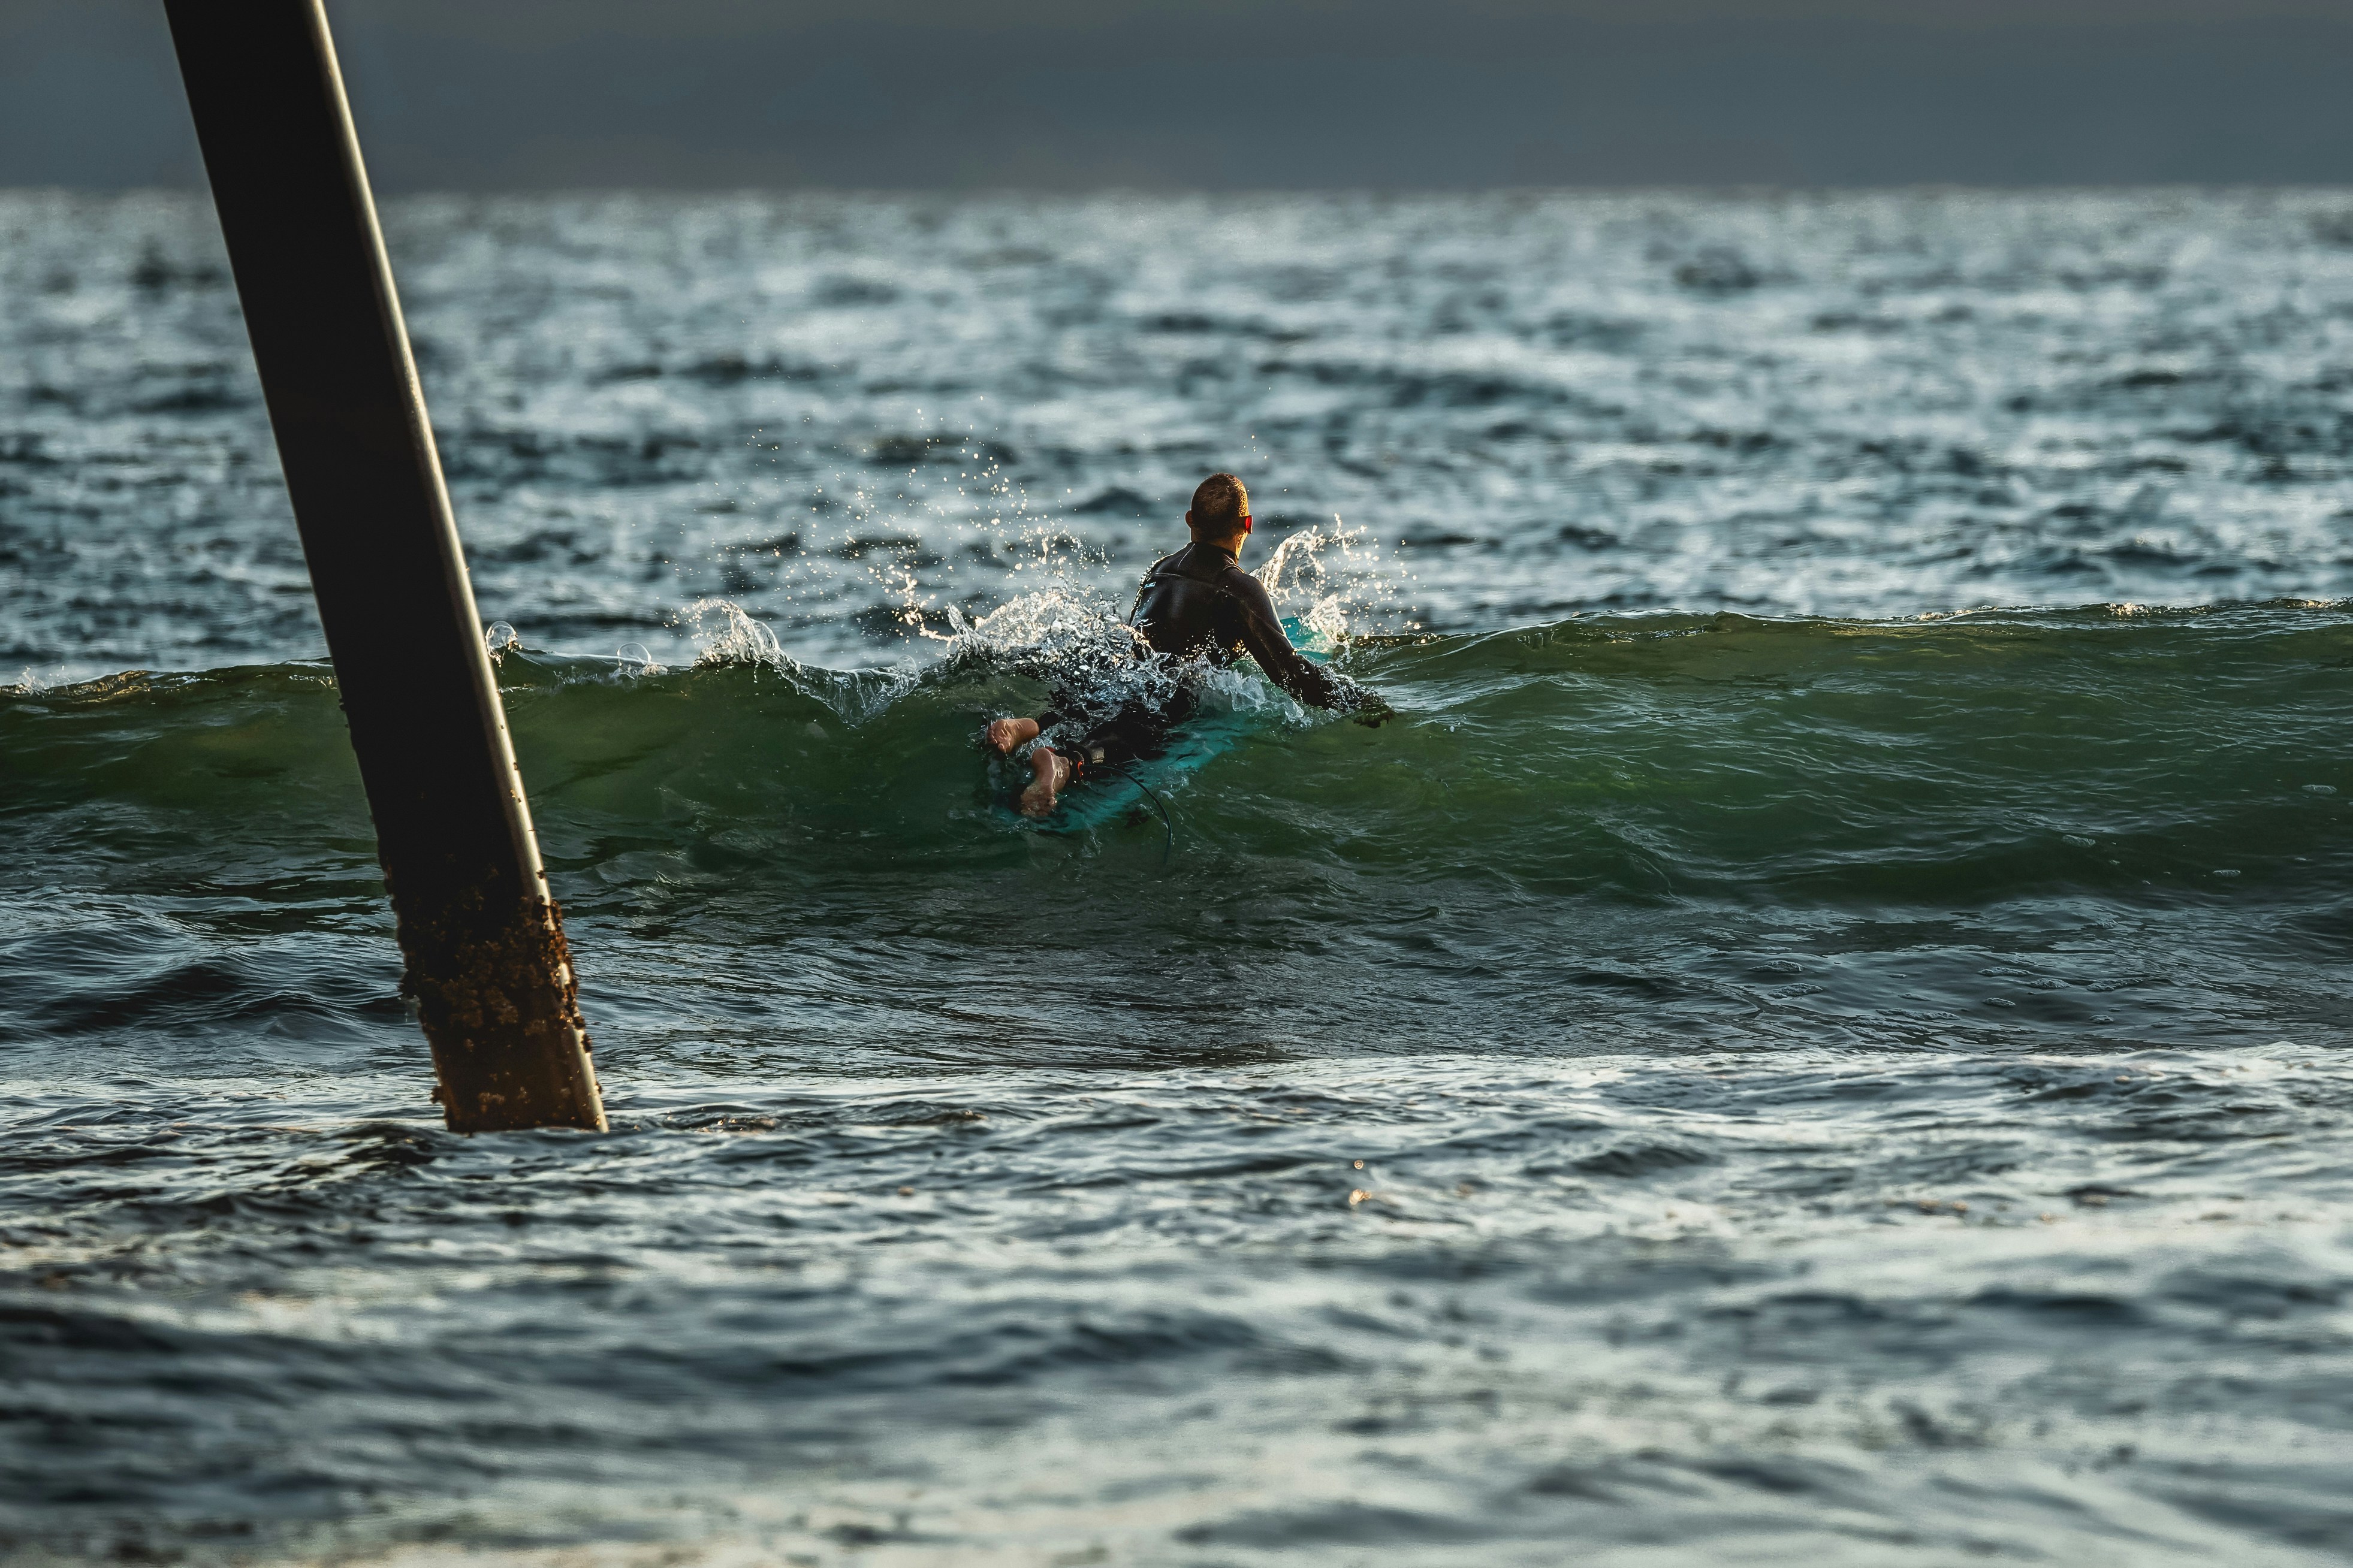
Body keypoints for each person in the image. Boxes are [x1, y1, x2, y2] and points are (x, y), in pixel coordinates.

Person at [987, 472, 1384, 816]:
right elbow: (1294, 676)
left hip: (1123, 666)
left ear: (1190, 521)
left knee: (1107, 691)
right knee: (1145, 724)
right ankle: (1064, 766)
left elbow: (1135, 643)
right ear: (1247, 524)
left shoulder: (1159, 570)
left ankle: (1029, 725)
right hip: (1168, 689)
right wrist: (1361, 703)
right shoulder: (1240, 589)